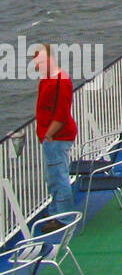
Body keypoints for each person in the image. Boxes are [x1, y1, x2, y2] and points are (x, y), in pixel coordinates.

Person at [33, 43, 78, 233]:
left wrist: (48, 135)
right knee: (52, 177)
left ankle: (64, 217)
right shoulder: (48, 79)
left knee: (59, 177)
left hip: (56, 138)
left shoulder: (61, 82)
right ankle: (55, 211)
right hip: (51, 136)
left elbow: (60, 114)